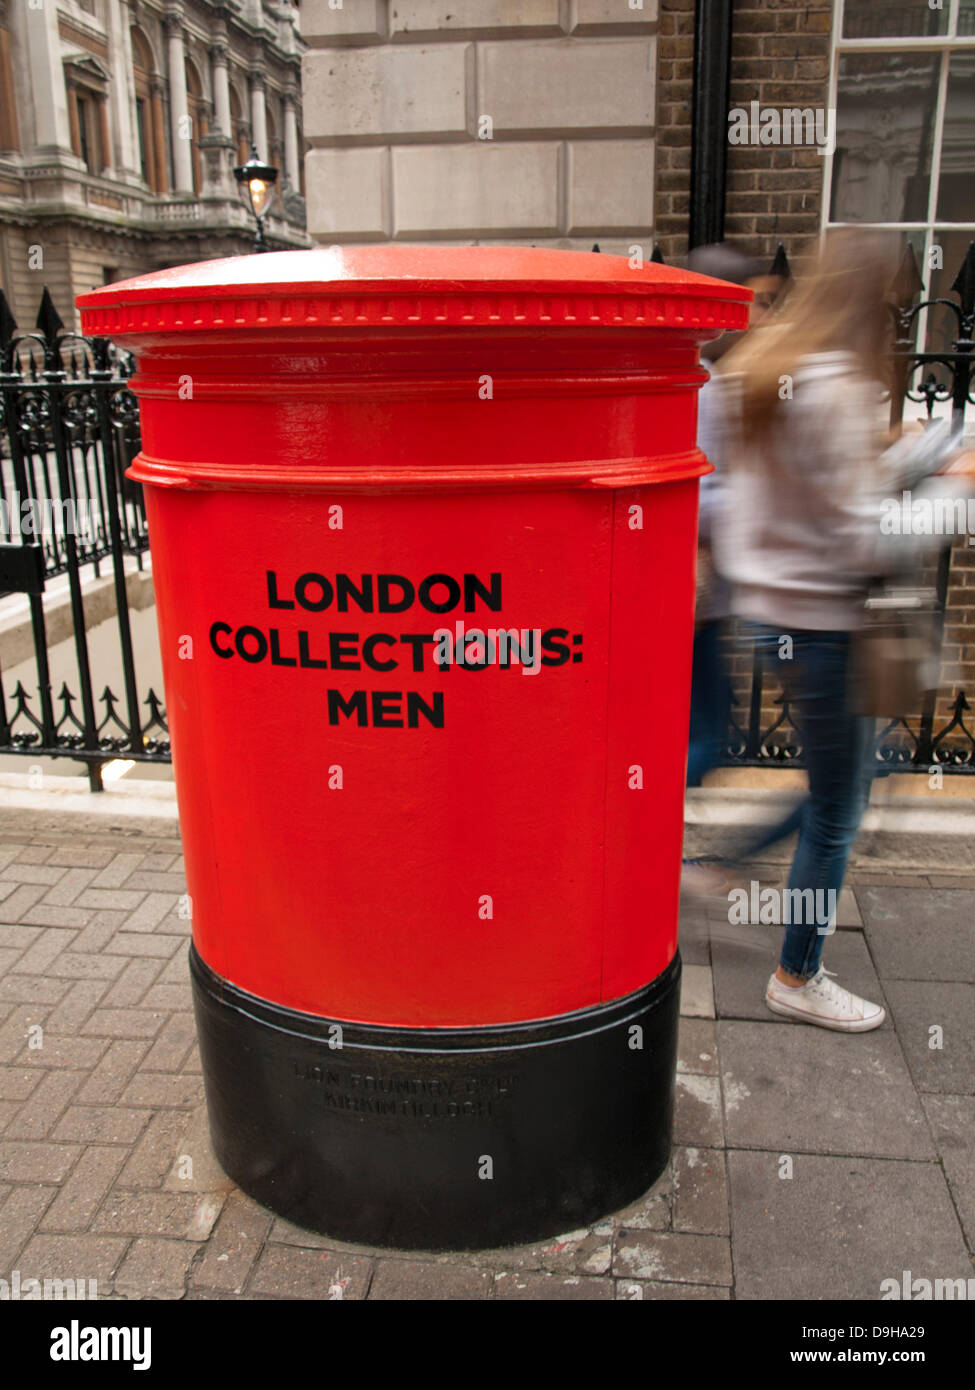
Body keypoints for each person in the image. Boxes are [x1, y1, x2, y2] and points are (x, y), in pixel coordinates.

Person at [713, 230, 975, 1032]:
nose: (899, 324)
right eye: (894, 307)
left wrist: (916, 452)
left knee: (852, 781)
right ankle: (796, 973)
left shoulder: (768, 373)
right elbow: (865, 540)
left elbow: (809, 501)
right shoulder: (830, 389)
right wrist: (956, 493)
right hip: (827, 633)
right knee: (836, 812)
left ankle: (721, 869)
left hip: (777, 620)